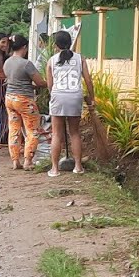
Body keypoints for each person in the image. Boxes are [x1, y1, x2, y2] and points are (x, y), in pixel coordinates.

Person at [45, 31, 95, 176]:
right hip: (75, 97)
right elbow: (88, 80)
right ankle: (78, 167)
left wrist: (54, 96)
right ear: (70, 42)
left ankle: (54, 169)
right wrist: (92, 98)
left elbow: (50, 85)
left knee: (56, 134)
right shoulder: (80, 59)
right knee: (74, 133)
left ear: (55, 45)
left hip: (58, 96)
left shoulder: (51, 61)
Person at [3, 33, 47, 170]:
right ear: (24, 47)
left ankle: (15, 160)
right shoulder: (26, 64)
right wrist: (49, 82)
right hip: (25, 100)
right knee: (32, 130)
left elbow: (13, 79)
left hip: (10, 98)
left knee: (14, 129)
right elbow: (39, 82)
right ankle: (28, 160)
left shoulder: (7, 62)